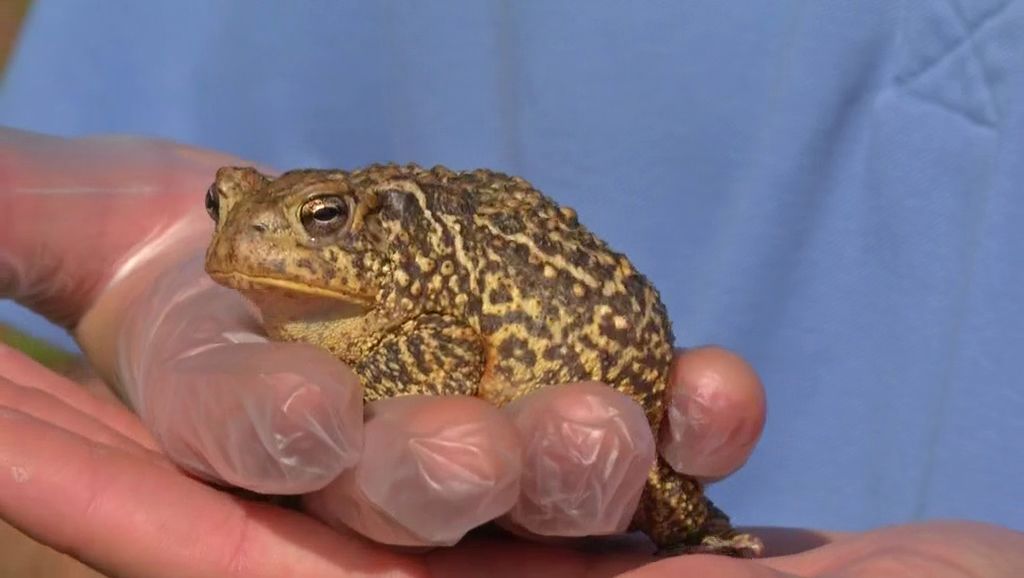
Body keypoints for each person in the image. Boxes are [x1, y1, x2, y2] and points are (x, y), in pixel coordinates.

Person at [2, 1, 1023, 576]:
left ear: (368, 238)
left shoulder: (416, 283)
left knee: (644, 462)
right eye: (228, 211)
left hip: (598, 339)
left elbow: (443, 353)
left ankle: (697, 524)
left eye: (315, 225)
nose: (250, 233)